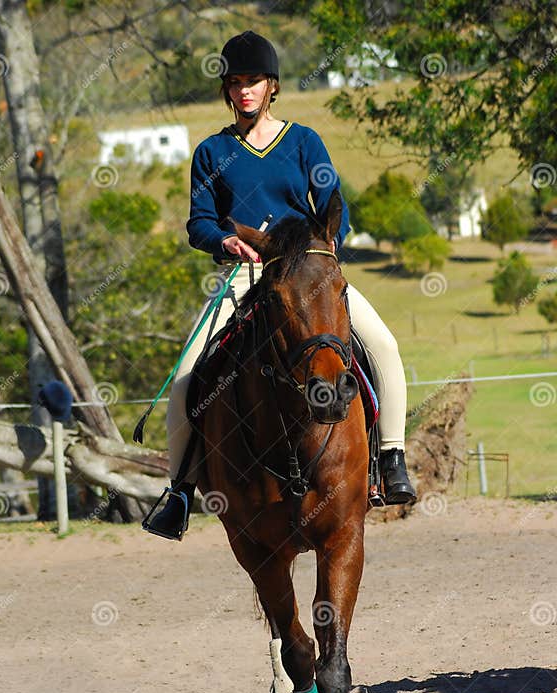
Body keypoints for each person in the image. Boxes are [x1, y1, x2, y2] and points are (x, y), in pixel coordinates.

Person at [146, 30, 416, 540]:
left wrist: (327, 248)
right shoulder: (211, 152)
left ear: (272, 86)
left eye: (254, 81)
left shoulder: (303, 141)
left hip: (308, 273)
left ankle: (392, 457)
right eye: (236, 83)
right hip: (247, 273)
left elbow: (335, 206)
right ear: (227, 90)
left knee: (383, 343)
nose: (244, 90)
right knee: (186, 376)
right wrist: (225, 243)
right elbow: (199, 222)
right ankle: (179, 491)